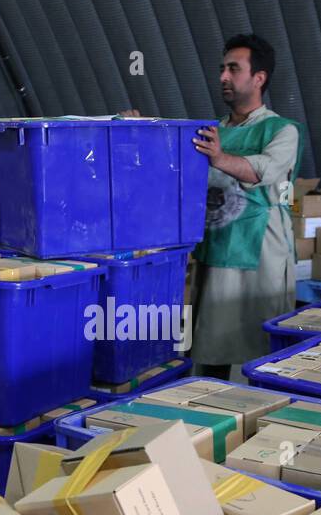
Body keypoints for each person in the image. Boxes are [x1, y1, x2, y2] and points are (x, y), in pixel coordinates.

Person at [123, 34, 303, 378]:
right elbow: (172, 172)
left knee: (260, 349)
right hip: (216, 248)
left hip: (260, 256)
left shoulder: (283, 130)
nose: (223, 76)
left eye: (233, 69)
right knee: (209, 343)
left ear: (259, 78)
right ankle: (210, 416)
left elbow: (261, 171)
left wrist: (219, 157)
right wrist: (136, 132)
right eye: (222, 68)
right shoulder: (210, 131)